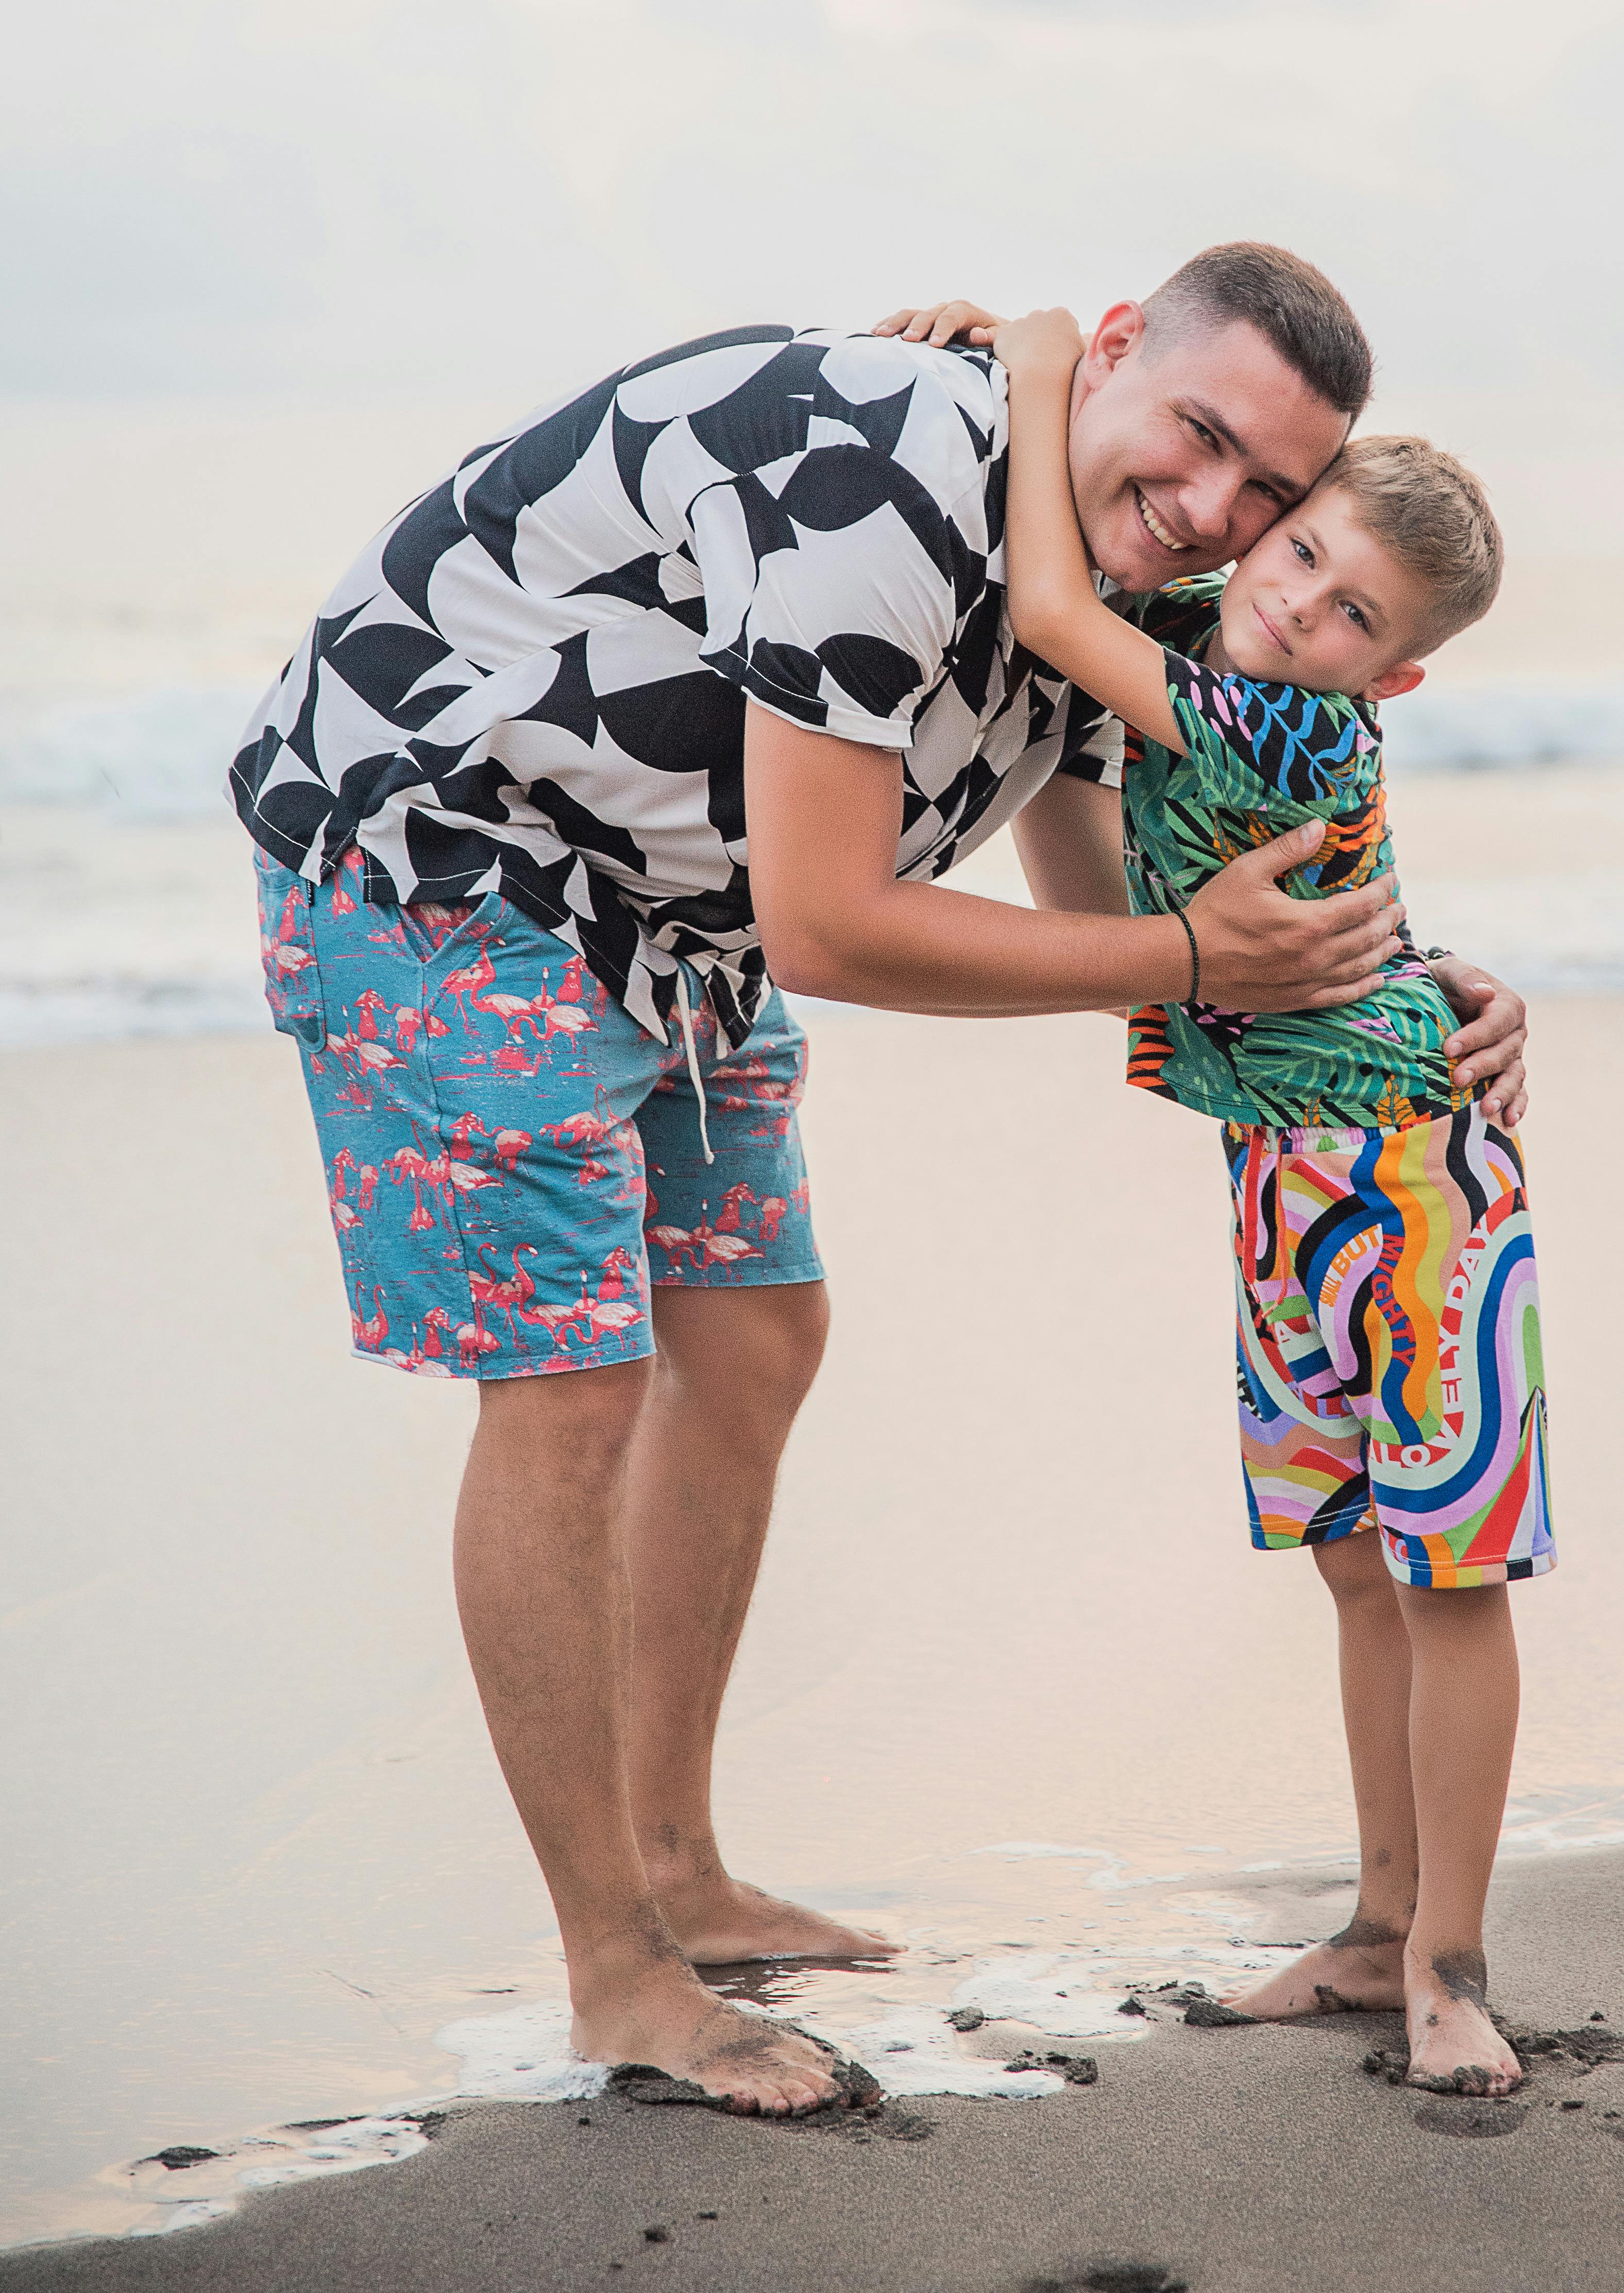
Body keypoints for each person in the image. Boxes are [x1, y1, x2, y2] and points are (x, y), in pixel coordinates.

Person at [229, 246, 1531, 2117]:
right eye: (1198, 439)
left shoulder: (1117, 584)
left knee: (754, 1338)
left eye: (1271, 496)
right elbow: (842, 923)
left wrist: (1399, 993)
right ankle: (619, 1972)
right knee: (571, 1376)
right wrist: (1196, 965)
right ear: (1114, 355)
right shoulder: (888, 490)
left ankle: (679, 1870)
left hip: (679, 910)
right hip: (443, 856)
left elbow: (1116, 913)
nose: (1218, 514)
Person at [987, 301, 1550, 2098]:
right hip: (1279, 1175)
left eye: (1354, 611)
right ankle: (1378, 1925)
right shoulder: (1207, 631)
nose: (1299, 601)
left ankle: (1452, 1964)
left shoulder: (1282, 725)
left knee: (1447, 1567)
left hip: (1411, 1172)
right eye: (1298, 550)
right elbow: (1108, 548)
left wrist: (1027, 358)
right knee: (1344, 1557)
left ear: (1393, 679)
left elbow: (1049, 606)